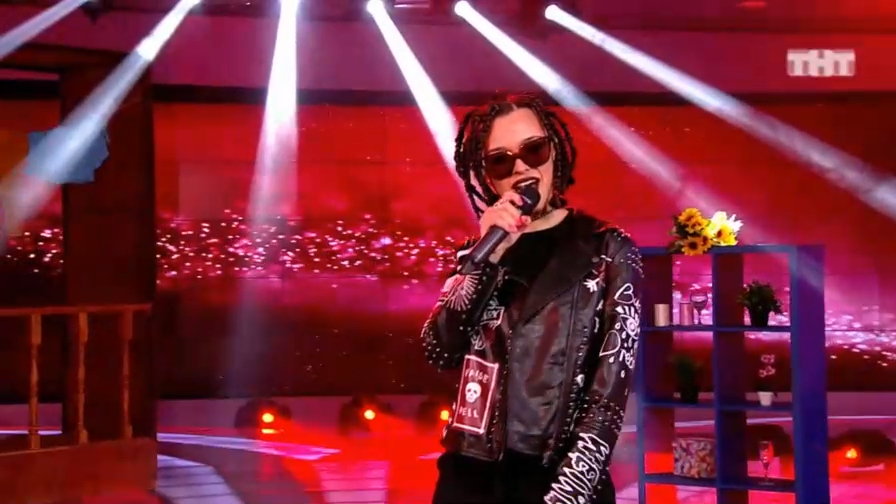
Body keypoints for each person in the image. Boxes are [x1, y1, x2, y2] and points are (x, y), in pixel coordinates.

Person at [421, 94, 642, 504]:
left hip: (556, 476)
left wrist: (569, 492)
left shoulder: (607, 250)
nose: (521, 167)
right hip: (468, 473)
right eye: (501, 161)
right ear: (488, 178)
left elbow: (608, 395)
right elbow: (440, 348)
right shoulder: (480, 252)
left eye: (533, 150)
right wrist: (484, 263)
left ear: (553, 152)